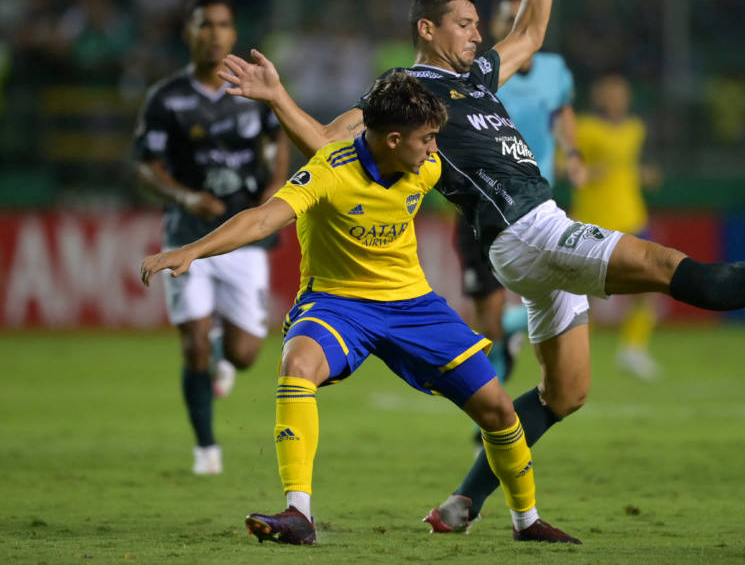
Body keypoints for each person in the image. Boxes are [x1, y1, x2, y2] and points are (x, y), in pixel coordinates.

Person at [219, 0, 745, 533]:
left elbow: (529, 33)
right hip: (529, 230)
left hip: (529, 238)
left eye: (474, 24)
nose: (476, 32)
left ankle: (461, 504)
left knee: (565, 393)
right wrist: (276, 97)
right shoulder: (405, 95)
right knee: (668, 267)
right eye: (463, 23)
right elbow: (330, 141)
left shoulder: (476, 78)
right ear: (427, 30)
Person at [140, 71, 581, 546]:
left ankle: (527, 521)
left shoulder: (425, 166)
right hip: (338, 302)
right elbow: (265, 216)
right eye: (427, 140)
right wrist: (191, 251)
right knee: (297, 364)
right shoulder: (331, 169)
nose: (435, 150)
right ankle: (298, 514)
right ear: (393, 140)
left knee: (497, 410)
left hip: (412, 304)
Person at [132, 0, 289, 475]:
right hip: (186, 235)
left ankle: (224, 354)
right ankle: (206, 448)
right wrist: (184, 197)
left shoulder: (251, 91)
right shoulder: (167, 98)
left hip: (243, 234)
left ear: (233, 33)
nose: (214, 33)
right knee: (192, 342)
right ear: (189, 33)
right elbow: (147, 165)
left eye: (222, 24)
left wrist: (275, 186)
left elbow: (278, 139)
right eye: (204, 25)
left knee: (244, 354)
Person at [453, 0, 585, 394]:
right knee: (486, 319)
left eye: (518, 19)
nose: (512, 28)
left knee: (563, 289)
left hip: (536, 201)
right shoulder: (477, 75)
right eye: (504, 21)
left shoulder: (555, 69)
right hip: (483, 203)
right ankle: (497, 378)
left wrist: (574, 153)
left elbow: (562, 112)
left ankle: (519, 339)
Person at [572, 73, 661, 380]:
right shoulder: (584, 128)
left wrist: (642, 174)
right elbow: (563, 164)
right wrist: (584, 171)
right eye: (610, 94)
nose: (617, 99)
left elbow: (627, 167)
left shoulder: (635, 129)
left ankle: (633, 350)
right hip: (594, 220)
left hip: (633, 217)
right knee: (589, 295)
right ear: (599, 98)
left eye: (621, 93)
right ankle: (578, 355)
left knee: (648, 286)